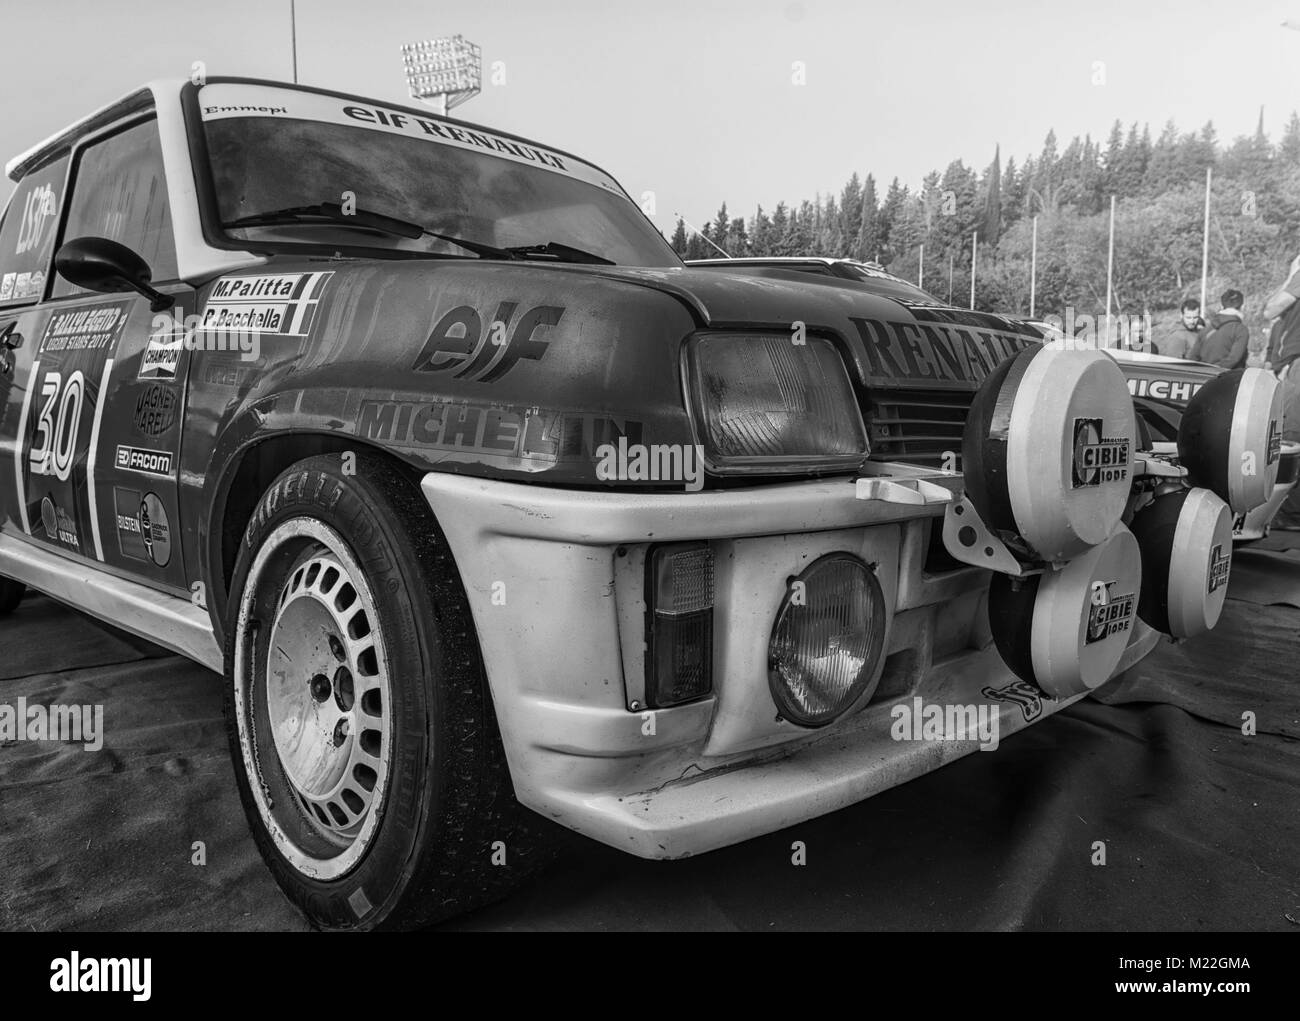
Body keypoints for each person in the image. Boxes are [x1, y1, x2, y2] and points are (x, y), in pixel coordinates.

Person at [1189, 289, 1249, 369]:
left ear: (1221, 307)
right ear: (1243, 307)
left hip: (1203, 376)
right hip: (1228, 378)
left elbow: (1193, 357)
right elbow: (1234, 359)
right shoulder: (1240, 330)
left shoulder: (1206, 329)